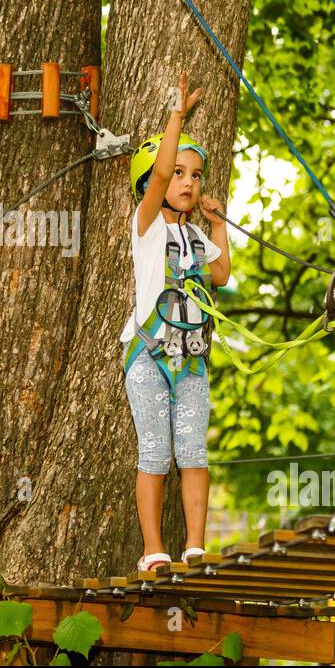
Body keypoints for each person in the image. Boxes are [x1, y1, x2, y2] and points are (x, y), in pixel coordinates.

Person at [121, 69, 230, 574]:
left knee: (192, 449)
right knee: (155, 452)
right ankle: (152, 548)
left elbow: (222, 274)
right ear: (151, 184)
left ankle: (194, 545)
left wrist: (218, 224)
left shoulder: (194, 236)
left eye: (196, 175)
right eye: (179, 174)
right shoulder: (145, 226)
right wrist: (177, 115)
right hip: (149, 357)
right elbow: (160, 175)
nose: (188, 183)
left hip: (191, 361)